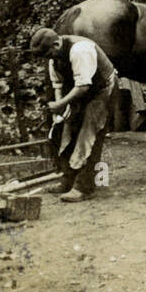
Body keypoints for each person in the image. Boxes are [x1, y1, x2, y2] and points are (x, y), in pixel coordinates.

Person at [29, 26, 117, 203]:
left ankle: (84, 187)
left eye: (48, 55)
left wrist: (60, 104)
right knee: (65, 132)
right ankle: (68, 180)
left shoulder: (79, 50)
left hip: (102, 91)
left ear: (56, 44)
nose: (48, 60)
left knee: (88, 135)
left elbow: (84, 86)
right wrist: (60, 112)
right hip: (80, 92)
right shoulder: (53, 57)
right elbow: (59, 86)